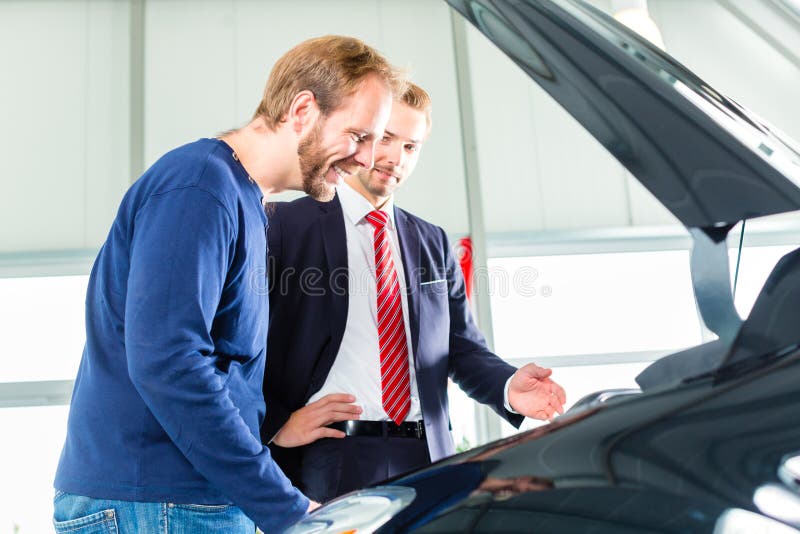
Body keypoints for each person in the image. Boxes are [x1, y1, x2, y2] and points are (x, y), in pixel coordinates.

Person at [53, 35, 404, 533]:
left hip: (189, 500)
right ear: (303, 110)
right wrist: (285, 507)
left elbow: (223, 369)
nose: (367, 160)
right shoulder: (200, 187)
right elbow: (167, 360)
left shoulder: (247, 203)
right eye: (359, 136)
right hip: (157, 502)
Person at [262, 83, 567, 503]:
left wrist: (509, 386)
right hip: (330, 456)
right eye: (386, 138)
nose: (395, 158)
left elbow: (460, 347)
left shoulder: (432, 241)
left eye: (411, 146)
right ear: (359, 136)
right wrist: (276, 424)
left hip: (427, 455)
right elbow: (239, 340)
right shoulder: (283, 226)